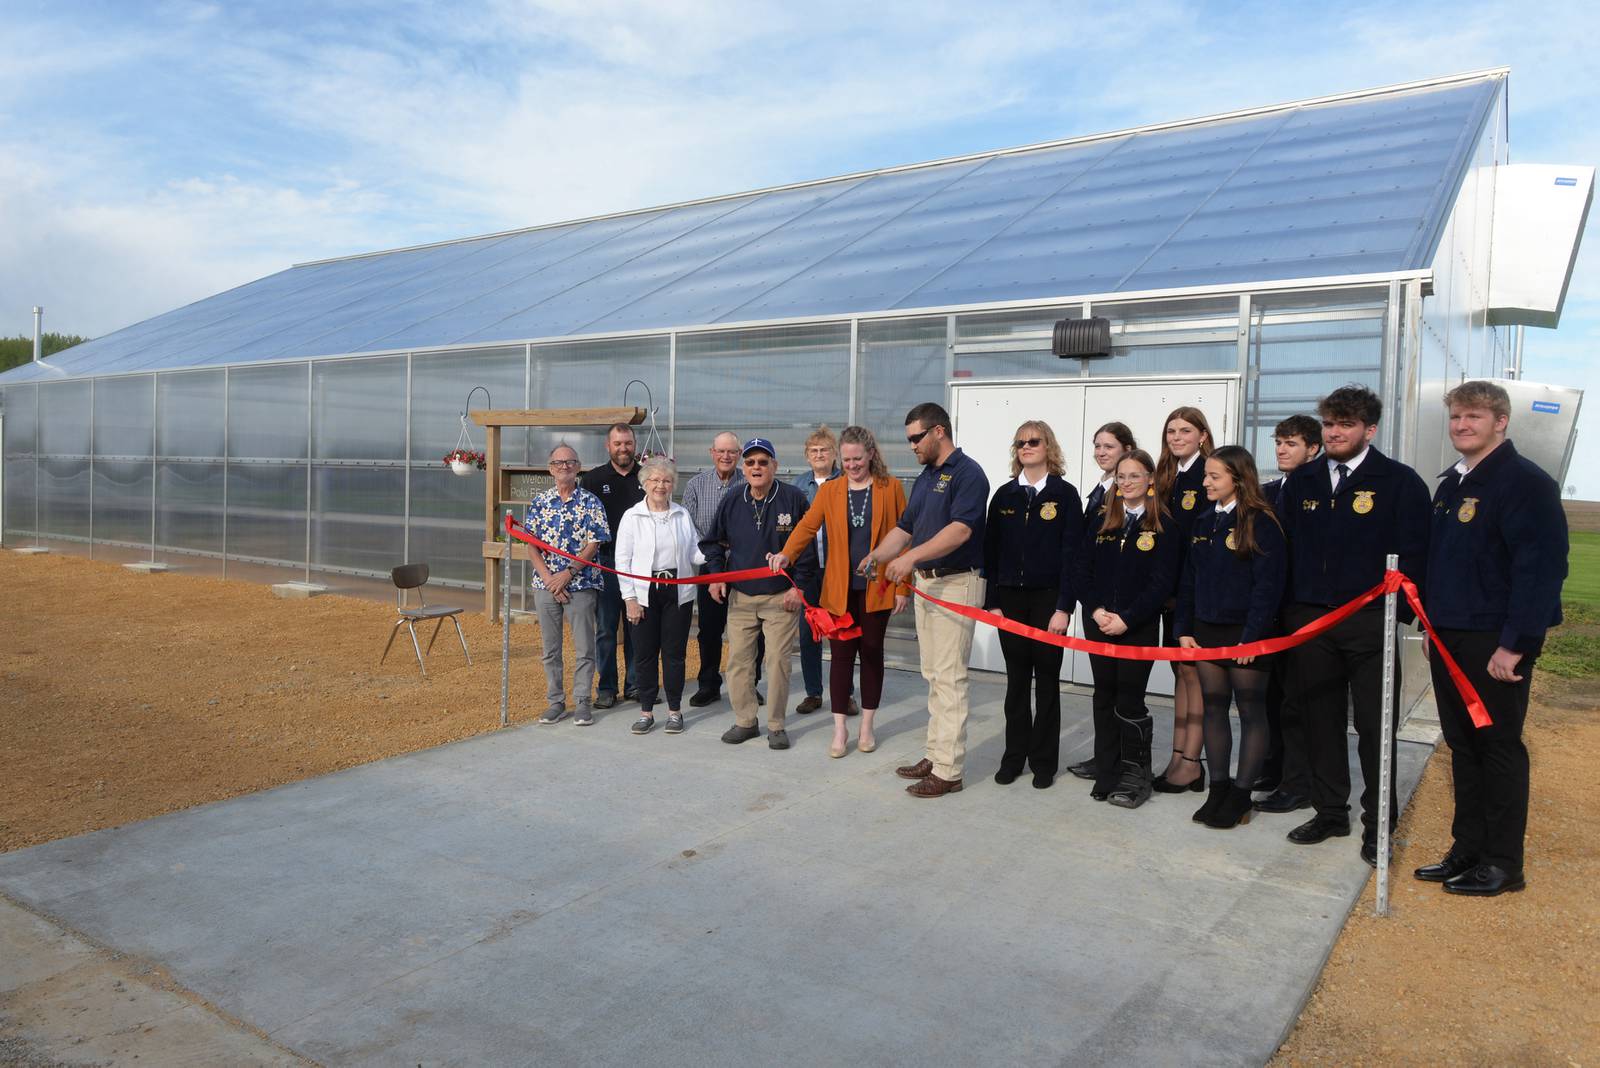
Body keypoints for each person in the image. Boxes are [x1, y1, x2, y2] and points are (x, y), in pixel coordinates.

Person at [1416, 381, 1567, 896]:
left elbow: (1541, 571)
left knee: (1498, 746)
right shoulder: (1451, 484)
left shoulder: (1525, 483)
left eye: (1474, 417)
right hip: (1449, 635)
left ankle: (1504, 863)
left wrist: (1516, 643)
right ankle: (1469, 848)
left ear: (1501, 421)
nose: (1462, 426)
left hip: (1494, 642)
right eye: (1456, 417)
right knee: (1462, 745)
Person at [1278, 384, 1431, 867]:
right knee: (1320, 722)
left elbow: (1416, 558)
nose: (1336, 432)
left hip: (1371, 626)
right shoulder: (1301, 482)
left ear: (1370, 429)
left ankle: (1378, 824)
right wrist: (1291, 615)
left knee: (1373, 727)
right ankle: (1329, 811)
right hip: (1312, 624)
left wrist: (1395, 617)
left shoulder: (1399, 482)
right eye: (1330, 424)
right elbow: (1281, 551)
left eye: (1346, 424)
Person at [861, 402, 989, 798]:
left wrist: (910, 557)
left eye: (916, 437)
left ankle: (949, 771)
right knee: (933, 676)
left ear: (939, 432)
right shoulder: (926, 477)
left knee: (950, 679)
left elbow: (960, 531)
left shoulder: (968, 474)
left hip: (955, 582)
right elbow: (906, 527)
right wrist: (877, 555)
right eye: (909, 439)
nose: (912, 445)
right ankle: (935, 755)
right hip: (928, 584)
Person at [770, 426, 909, 758]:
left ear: (871, 454)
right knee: (842, 656)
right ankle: (840, 729)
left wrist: (904, 586)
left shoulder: (891, 488)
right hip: (839, 589)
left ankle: (867, 726)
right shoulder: (831, 491)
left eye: (857, 458)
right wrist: (787, 553)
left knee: (872, 652)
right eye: (846, 460)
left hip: (878, 586)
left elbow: (905, 535)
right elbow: (807, 525)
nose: (851, 465)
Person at [1176, 446, 1288, 829]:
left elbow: (1267, 587)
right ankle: (1218, 790)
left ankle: (1241, 795)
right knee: (1213, 708)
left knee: (1252, 712)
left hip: (1246, 635)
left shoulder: (1261, 522)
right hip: (1207, 630)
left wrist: (1251, 637)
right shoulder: (1204, 520)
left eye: (1214, 476)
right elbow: (1189, 579)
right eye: (1206, 475)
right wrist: (1184, 629)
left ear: (1238, 479)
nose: (1205, 482)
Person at [1071, 450, 1181, 808]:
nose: (1127, 482)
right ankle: (1107, 771)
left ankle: (1135, 776)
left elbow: (1161, 583)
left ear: (1150, 479)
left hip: (1137, 628)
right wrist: (1097, 609)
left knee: (1129, 701)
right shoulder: (1102, 520)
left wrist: (1128, 618)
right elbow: (1081, 570)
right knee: (1103, 696)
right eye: (1121, 477)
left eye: (1135, 476)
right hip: (1099, 623)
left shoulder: (1164, 523)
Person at [985, 420, 1083, 789]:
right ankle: (1013, 758)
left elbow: (1073, 556)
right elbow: (990, 553)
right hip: (1010, 601)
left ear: (1048, 447)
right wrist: (993, 602)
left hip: (1047, 602)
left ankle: (1043, 762)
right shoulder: (1005, 495)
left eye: (1033, 441)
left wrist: (1064, 608)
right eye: (1020, 442)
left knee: (1047, 684)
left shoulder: (1065, 495)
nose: (1026, 447)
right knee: (1015, 685)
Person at [701, 438, 816, 750]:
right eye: (750, 463)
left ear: (774, 466)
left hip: (781, 597)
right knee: (739, 661)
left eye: (763, 462)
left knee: (777, 662)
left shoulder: (793, 499)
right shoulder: (733, 499)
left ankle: (777, 724)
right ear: (743, 467)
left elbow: (806, 548)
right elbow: (712, 542)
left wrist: (799, 587)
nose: (756, 468)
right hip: (741, 597)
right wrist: (716, 576)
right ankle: (746, 721)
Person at [1254, 414, 1322, 815]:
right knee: (1272, 696)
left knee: (1299, 700)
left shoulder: (1318, 493)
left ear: (1313, 448)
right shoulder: (1267, 492)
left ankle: (1300, 782)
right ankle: (1275, 767)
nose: (1281, 449)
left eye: (1291, 443)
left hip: (1303, 610)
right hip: (1271, 610)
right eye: (1279, 442)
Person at [1065, 420, 1136, 782]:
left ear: (1126, 449)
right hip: (1095, 606)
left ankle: (1125, 761)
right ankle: (1104, 757)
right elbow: (1083, 555)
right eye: (1097, 446)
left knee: (1125, 692)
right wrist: (1090, 605)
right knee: (1102, 689)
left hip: (1123, 610)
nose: (1101, 452)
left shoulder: (1133, 497)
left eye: (1108, 446)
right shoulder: (1097, 491)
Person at [616, 457, 703, 736]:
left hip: (677, 590)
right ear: (644, 484)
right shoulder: (632, 516)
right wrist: (629, 598)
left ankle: (675, 711)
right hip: (643, 593)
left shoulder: (681, 514)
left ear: (673, 485)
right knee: (644, 654)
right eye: (654, 480)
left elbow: (693, 551)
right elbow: (623, 560)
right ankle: (646, 711)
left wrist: (716, 555)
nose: (660, 485)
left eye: (666, 480)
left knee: (674, 654)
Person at [525, 443, 610, 726]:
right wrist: (550, 580)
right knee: (551, 649)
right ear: (550, 469)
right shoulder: (539, 503)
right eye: (559, 463)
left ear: (578, 467)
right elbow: (531, 545)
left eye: (570, 462)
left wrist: (568, 574)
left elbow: (594, 543)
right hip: (546, 585)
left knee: (584, 647)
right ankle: (556, 701)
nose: (564, 467)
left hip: (582, 583)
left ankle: (583, 701)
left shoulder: (590, 502)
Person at [1152, 406, 1214, 795]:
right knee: (1180, 675)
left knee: (1196, 677)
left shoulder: (1206, 473)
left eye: (1185, 431)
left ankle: (1192, 761)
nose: (1176, 437)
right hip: (1168, 592)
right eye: (1171, 431)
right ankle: (1178, 755)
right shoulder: (1165, 476)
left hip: (1193, 593)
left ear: (1202, 436)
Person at [791, 426, 856, 717]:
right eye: (814, 451)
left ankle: (846, 694)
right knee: (809, 634)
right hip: (807, 570)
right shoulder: (798, 486)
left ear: (835, 455)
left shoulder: (846, 481)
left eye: (825, 451)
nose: (819, 455)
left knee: (842, 632)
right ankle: (813, 692)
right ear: (807, 456)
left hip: (837, 568)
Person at [580, 422, 643, 710]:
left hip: (639, 564)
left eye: (627, 443)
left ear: (634, 445)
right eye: (618, 443)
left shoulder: (647, 476)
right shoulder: (593, 479)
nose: (623, 448)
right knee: (606, 628)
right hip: (606, 564)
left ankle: (634, 684)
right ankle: (606, 688)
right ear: (608, 446)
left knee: (636, 626)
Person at [682, 432, 744, 707]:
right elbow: (689, 526)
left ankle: (748, 684)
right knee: (709, 628)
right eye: (721, 451)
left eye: (731, 452)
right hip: (710, 566)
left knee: (750, 627)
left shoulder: (749, 481)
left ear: (739, 454)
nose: (726, 456)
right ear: (712, 453)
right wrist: (711, 553)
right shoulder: (696, 485)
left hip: (744, 566)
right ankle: (708, 683)